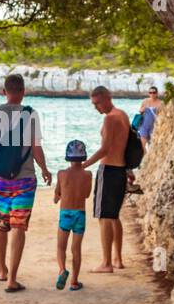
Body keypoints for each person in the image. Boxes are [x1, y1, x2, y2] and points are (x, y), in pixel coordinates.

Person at [0, 73, 51, 292]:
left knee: (1, 224)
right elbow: (36, 147)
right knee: (18, 225)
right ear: (23, 92)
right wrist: (45, 169)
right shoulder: (31, 114)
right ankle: (13, 280)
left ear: (4, 92)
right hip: (25, 180)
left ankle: (2, 270)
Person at [80, 85, 129, 272]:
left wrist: (83, 165)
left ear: (107, 97)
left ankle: (106, 263)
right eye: (94, 104)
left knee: (104, 217)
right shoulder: (122, 114)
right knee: (114, 216)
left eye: (97, 103)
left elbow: (105, 149)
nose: (96, 107)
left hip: (108, 171)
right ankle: (117, 258)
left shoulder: (110, 118)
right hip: (121, 170)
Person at [53, 140, 91, 291]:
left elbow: (58, 193)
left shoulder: (62, 174)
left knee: (61, 247)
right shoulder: (88, 175)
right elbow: (87, 195)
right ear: (83, 157)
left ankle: (62, 270)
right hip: (80, 214)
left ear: (67, 157)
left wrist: (56, 197)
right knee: (76, 249)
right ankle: (74, 282)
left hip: (65, 214)